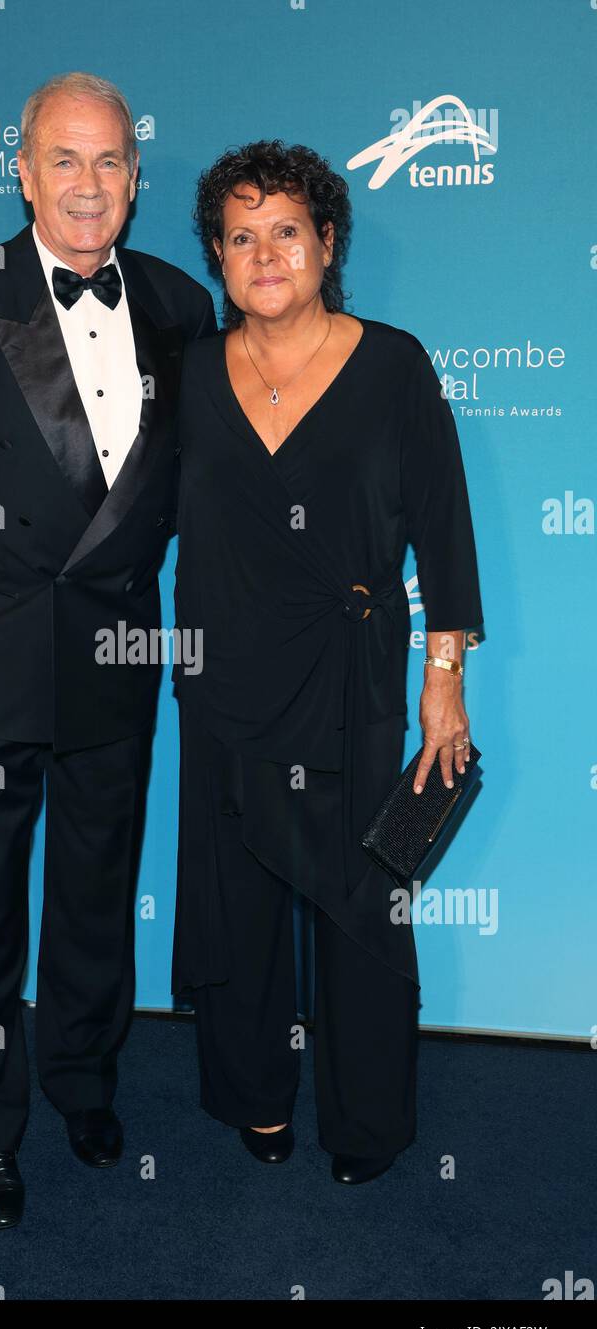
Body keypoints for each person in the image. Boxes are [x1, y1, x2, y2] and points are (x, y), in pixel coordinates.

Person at [0, 72, 216, 1229]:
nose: (87, 185)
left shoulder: (173, 303)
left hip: (115, 653)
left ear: (134, 180)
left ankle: (80, 1076)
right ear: (20, 172)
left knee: (96, 893)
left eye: (110, 162)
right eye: (64, 160)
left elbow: (184, 495)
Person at [171, 140, 484, 1183]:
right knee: (239, 899)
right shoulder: (189, 376)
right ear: (218, 258)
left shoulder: (391, 364)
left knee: (360, 910)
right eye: (239, 236)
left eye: (285, 231)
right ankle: (255, 1095)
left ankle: (364, 1121)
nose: (264, 253)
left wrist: (443, 680)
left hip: (348, 678)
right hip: (221, 678)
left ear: (327, 242)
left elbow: (441, 528)